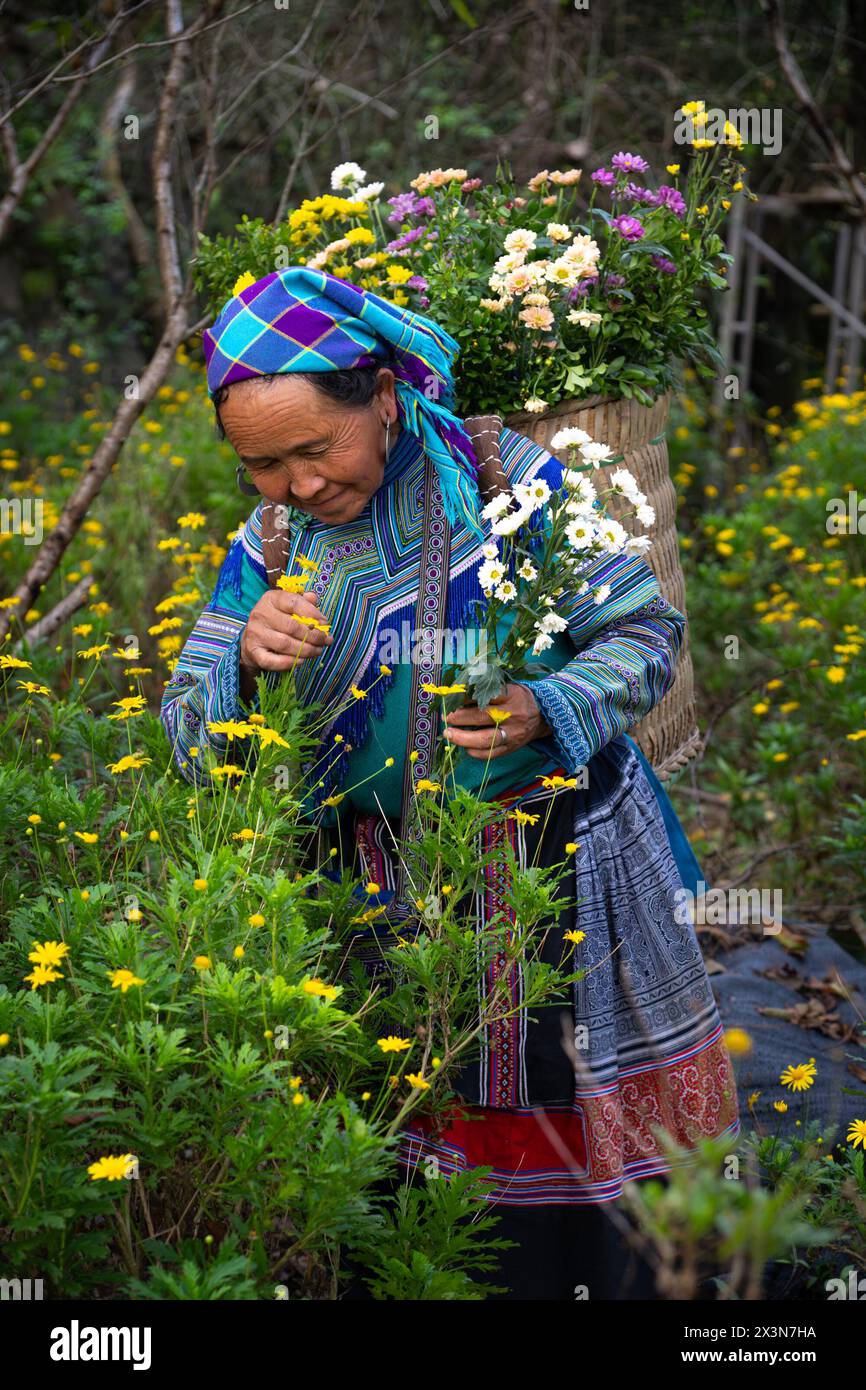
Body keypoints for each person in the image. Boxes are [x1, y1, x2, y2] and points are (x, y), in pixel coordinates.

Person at [160, 266, 739, 1300]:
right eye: (260, 463)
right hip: (370, 897)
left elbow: (645, 634)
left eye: (313, 448)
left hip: (554, 879)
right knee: (398, 1144)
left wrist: (540, 704)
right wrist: (241, 659)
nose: (295, 484)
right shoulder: (270, 545)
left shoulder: (506, 482)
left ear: (381, 396)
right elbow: (182, 721)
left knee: (571, 1133)